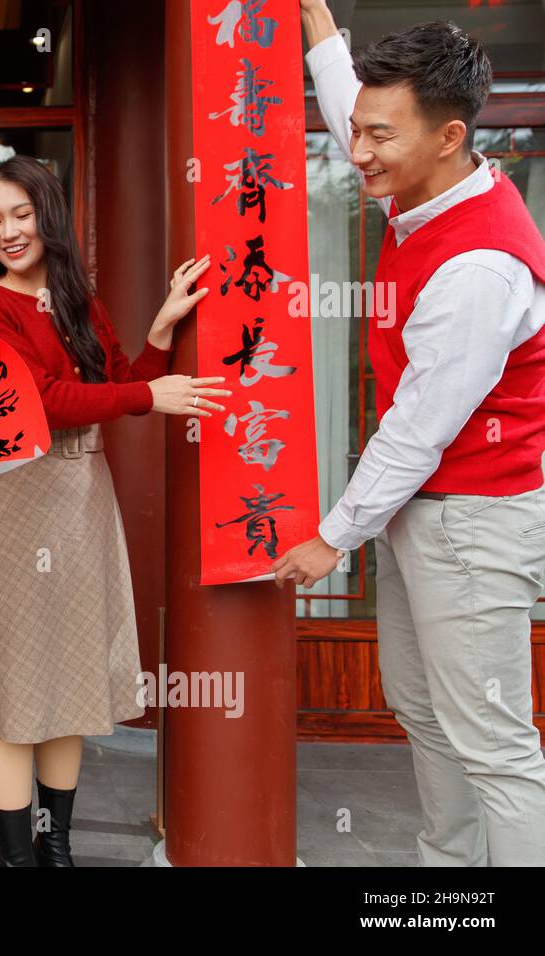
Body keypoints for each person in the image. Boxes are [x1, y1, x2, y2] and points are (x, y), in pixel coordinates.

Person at [275, 2, 545, 866]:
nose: (356, 154)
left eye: (378, 139)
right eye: (357, 133)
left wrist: (330, 538)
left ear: (448, 136)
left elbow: (417, 432)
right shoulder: (427, 178)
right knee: (423, 712)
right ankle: (451, 878)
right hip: (421, 513)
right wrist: (316, 22)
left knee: (494, 745)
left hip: (471, 519)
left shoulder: (479, 268)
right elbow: (348, 98)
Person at [0, 155, 226, 866]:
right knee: (16, 685)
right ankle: (15, 859)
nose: (9, 231)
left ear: (49, 214)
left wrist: (162, 329)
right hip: (22, 500)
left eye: (21, 213)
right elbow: (42, 398)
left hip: (84, 503)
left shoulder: (78, 299)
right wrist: (147, 396)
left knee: (70, 679)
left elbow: (123, 383)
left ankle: (57, 849)